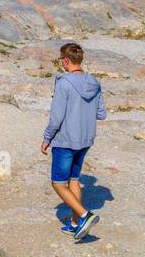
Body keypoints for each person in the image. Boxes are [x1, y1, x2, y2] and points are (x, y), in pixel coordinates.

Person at [41, 42, 106, 241]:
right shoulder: (94, 82)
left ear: (66, 60)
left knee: (58, 183)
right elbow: (101, 113)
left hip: (66, 140)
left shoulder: (64, 83)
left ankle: (85, 215)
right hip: (85, 139)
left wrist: (46, 138)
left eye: (61, 60)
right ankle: (76, 224)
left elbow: (56, 117)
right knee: (74, 179)